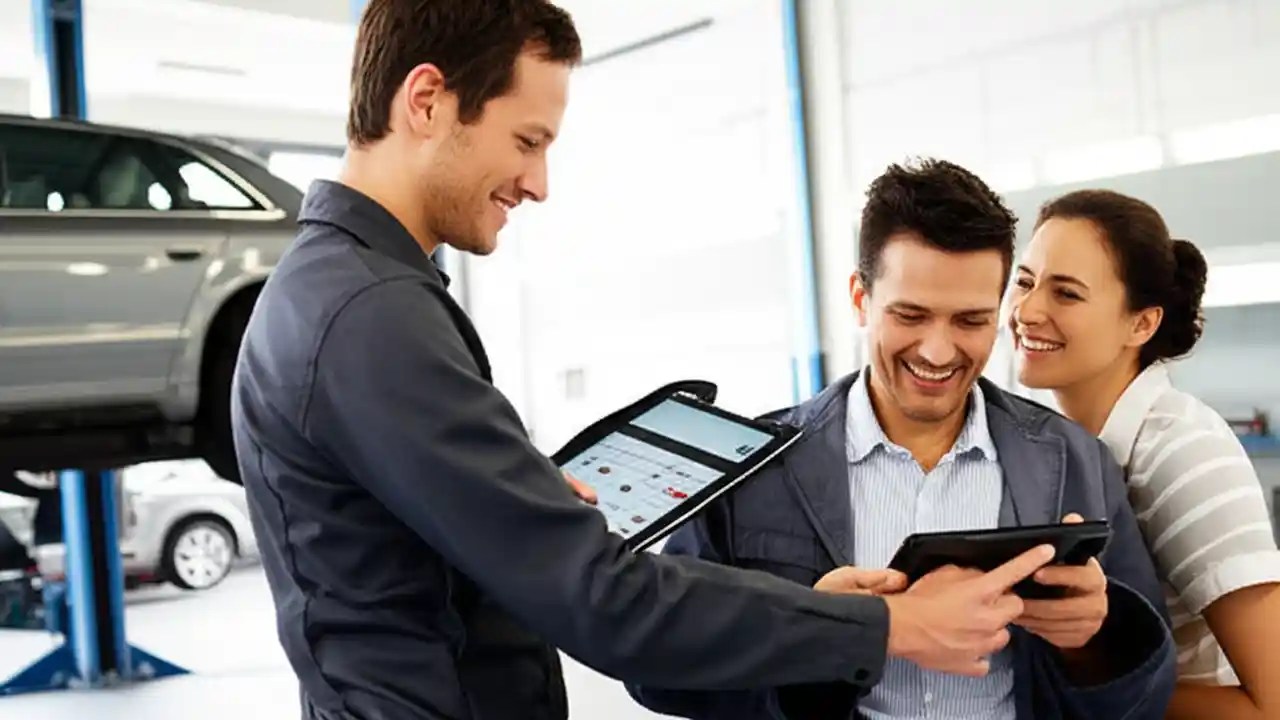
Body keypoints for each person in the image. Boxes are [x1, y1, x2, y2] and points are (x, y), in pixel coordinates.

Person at [230, 4, 1057, 719]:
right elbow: (605, 599)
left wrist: (517, 499)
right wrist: (891, 627)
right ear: (426, 100)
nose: (538, 181)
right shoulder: (372, 317)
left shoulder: (339, 293)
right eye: (527, 139)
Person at [628, 159, 1177, 720]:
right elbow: (659, 672)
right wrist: (811, 635)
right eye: (910, 315)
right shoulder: (751, 466)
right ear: (861, 298)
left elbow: (1150, 695)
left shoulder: (1076, 462)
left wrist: (1094, 642)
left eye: (969, 321)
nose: (938, 352)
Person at [1008, 189, 1280, 719]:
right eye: (1025, 282)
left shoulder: (1181, 448)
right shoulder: (1059, 447)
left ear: (1142, 323)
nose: (1027, 310)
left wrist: (1079, 694)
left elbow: (1273, 703)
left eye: (1066, 294)